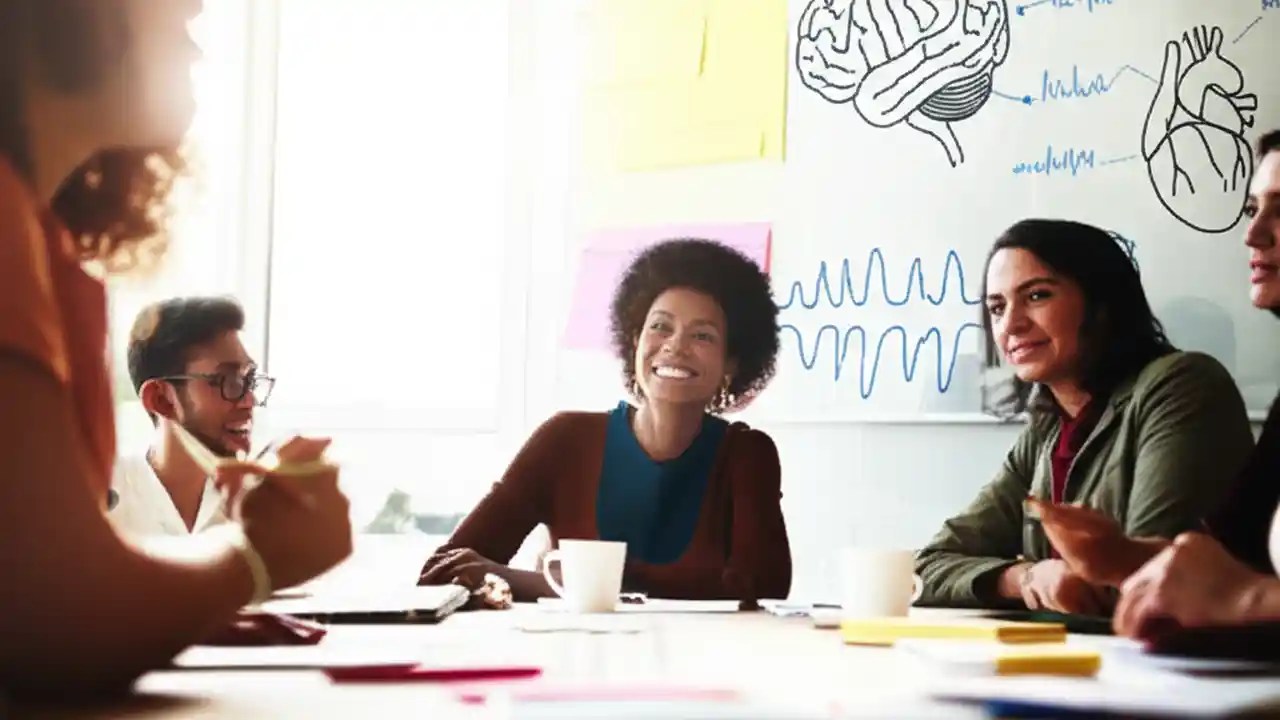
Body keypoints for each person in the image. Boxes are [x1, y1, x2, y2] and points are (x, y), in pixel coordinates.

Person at [0, 1, 351, 697]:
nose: (194, 6)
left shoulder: (40, 240)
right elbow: (54, 618)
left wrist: (179, 605)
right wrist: (254, 560)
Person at [419, 238, 791, 603]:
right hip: (575, 662)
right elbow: (446, 569)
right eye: (661, 326)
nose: (676, 346)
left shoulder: (746, 456)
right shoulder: (564, 441)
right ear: (635, 341)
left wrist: (560, 587)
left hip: (701, 664)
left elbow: (762, 588)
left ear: (732, 364)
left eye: (702, 335)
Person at [913, 219, 1254, 614]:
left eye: (1037, 296)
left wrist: (1051, 578)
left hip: (1184, 666)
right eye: (997, 307)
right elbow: (929, 565)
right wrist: (1026, 578)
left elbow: (1154, 578)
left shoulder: (1181, 385)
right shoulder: (1048, 426)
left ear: (1103, 304)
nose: (1010, 324)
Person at [1037, 130, 1280, 638]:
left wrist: (1250, 598)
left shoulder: (1182, 385)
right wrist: (1121, 556)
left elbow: (1237, 585)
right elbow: (1229, 558)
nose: (1253, 234)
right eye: (1251, 209)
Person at [111, 296, 275, 538]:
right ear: (161, 399)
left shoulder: (264, 505)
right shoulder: (103, 499)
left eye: (248, 380)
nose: (249, 400)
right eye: (227, 381)